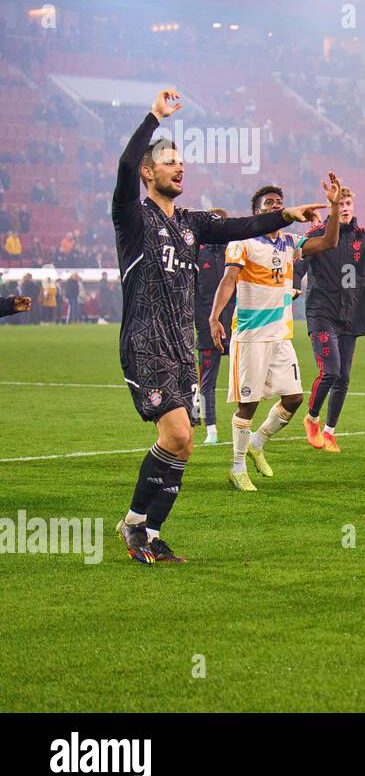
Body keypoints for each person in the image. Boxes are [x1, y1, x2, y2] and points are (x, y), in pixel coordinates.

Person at [112, 89, 326, 564]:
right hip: (145, 343)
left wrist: (288, 215)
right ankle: (136, 529)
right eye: (169, 161)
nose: (179, 167)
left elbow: (240, 227)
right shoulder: (132, 219)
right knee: (176, 436)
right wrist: (153, 118)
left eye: (181, 161)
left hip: (180, 346)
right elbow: (125, 168)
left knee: (184, 445)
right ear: (149, 172)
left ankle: (142, 528)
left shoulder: (189, 222)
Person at [209, 179, 344, 492]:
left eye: (278, 201)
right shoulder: (242, 242)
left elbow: (328, 242)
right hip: (251, 335)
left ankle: (257, 442)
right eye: (268, 202)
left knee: (294, 397)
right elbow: (229, 281)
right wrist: (215, 316)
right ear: (257, 211)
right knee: (249, 404)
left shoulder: (288, 242)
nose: (275, 205)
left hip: (281, 335)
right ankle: (237, 467)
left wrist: (335, 207)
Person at [297, 186, 365, 452]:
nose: (345, 208)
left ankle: (330, 432)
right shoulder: (316, 235)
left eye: (348, 203)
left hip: (352, 314)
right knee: (330, 371)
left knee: (343, 377)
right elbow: (298, 262)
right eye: (341, 203)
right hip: (322, 312)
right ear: (333, 205)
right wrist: (293, 285)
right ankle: (311, 419)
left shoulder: (363, 236)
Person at [195, 209, 235, 444]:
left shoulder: (236, 252)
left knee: (243, 378)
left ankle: (242, 426)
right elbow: (192, 294)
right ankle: (211, 431)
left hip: (236, 326)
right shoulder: (197, 256)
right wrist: (202, 323)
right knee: (207, 381)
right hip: (207, 328)